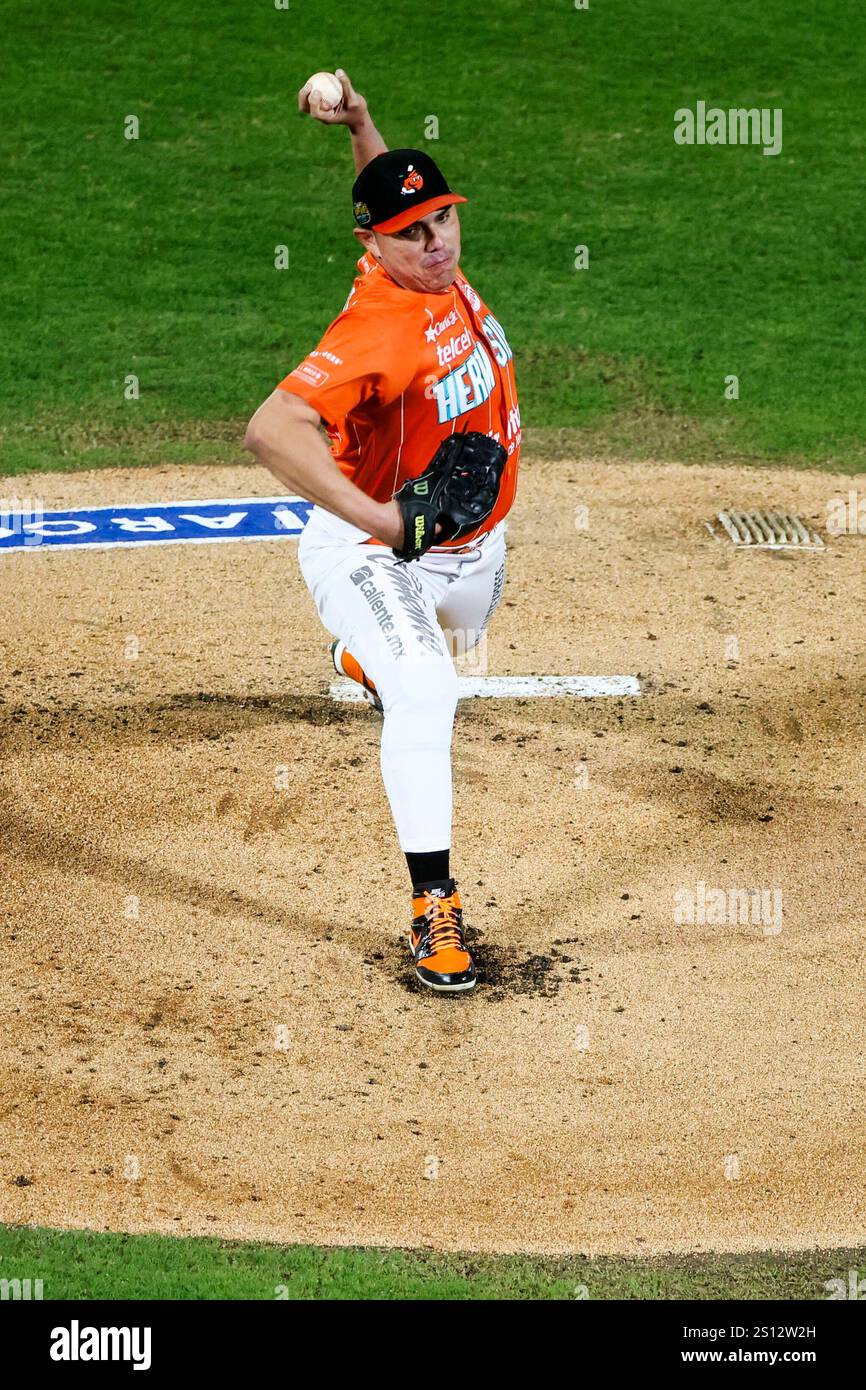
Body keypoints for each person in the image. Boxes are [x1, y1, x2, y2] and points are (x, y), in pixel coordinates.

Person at [244, 70, 522, 993]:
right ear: (376, 247)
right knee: (429, 693)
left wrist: (361, 124)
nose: (438, 244)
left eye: (443, 219)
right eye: (414, 233)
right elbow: (270, 428)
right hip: (376, 551)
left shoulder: (409, 257)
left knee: (459, 640)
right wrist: (380, 519)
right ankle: (433, 909)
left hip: (470, 555)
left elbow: (392, 195)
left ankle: (369, 658)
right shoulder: (379, 324)